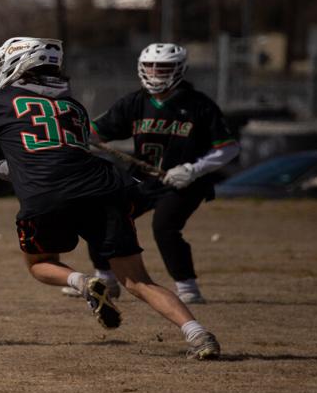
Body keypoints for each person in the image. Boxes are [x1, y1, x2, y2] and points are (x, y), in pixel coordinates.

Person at [0, 36, 219, 360]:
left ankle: (85, 283)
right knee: (137, 280)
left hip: (46, 195)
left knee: (41, 264)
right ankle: (197, 333)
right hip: (102, 189)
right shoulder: (74, 108)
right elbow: (49, 158)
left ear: (16, 64)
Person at [61, 43, 240, 305]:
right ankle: (106, 280)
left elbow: (229, 148)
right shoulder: (135, 102)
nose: (156, 72)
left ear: (179, 69)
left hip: (185, 183)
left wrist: (192, 169)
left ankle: (187, 286)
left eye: (163, 67)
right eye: (150, 66)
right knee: (101, 215)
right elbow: (96, 132)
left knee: (165, 227)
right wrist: (70, 130)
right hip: (144, 179)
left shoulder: (199, 105)